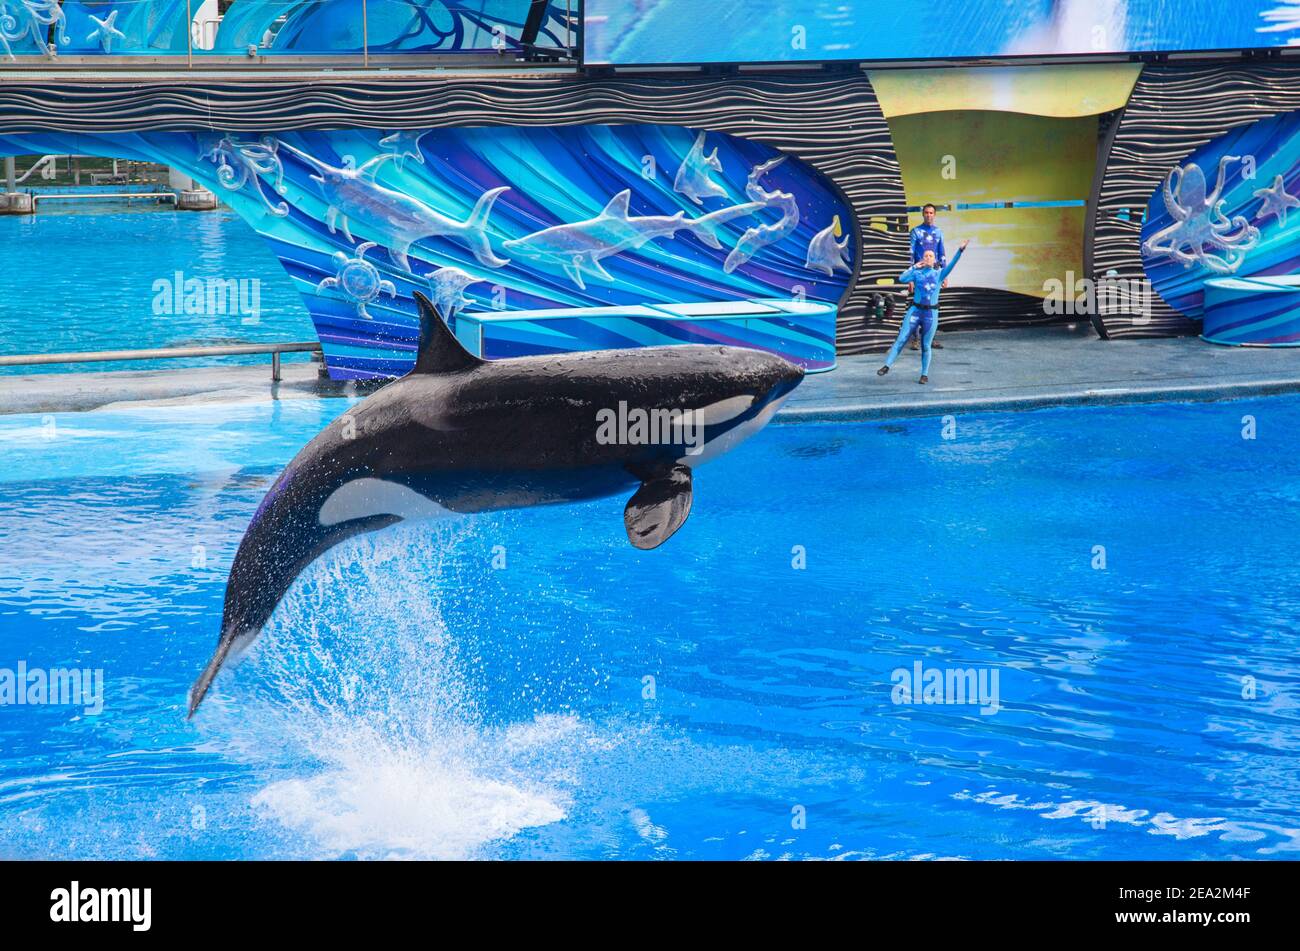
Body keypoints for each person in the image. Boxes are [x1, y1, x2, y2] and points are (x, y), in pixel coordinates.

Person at [878, 239, 970, 384]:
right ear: (922, 259)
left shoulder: (939, 274)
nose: (928, 257)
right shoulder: (917, 273)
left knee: (926, 345)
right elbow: (901, 278)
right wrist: (914, 267)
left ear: (935, 260)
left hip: (930, 314)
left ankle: (924, 374)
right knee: (901, 339)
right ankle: (887, 366)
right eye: (925, 256)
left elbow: (952, 264)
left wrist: (960, 250)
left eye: (930, 256)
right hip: (915, 310)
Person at [908, 204, 948, 351]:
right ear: (922, 214)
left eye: (931, 213)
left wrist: (944, 275)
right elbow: (910, 255)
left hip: (935, 274)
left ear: (935, 215)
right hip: (919, 274)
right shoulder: (916, 232)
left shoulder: (938, 232)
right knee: (918, 305)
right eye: (926, 212)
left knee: (933, 306)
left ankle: (931, 338)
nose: (929, 215)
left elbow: (942, 254)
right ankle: (916, 339)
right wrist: (911, 277)